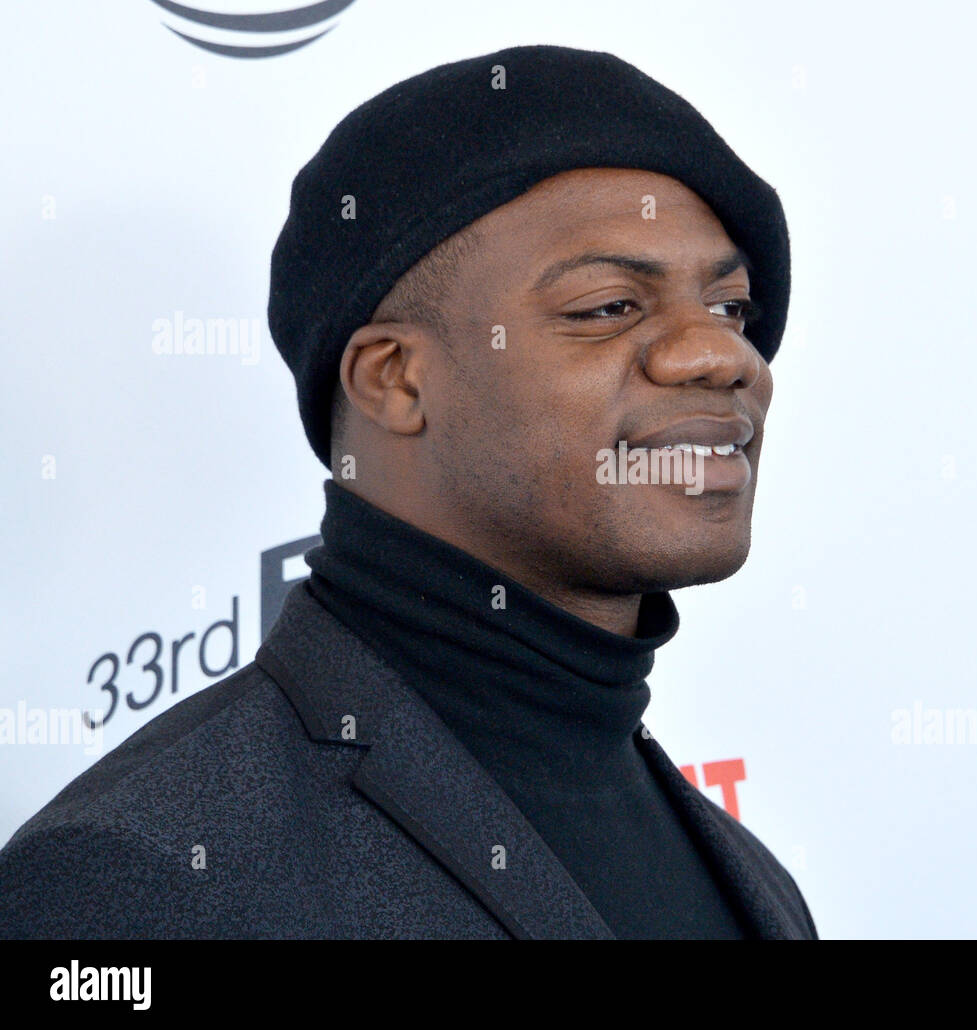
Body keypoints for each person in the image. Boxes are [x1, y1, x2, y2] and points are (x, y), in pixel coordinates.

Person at [0, 44, 816, 940]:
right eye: (608, 307)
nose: (719, 355)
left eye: (731, 310)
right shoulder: (135, 876)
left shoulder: (754, 882)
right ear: (393, 380)